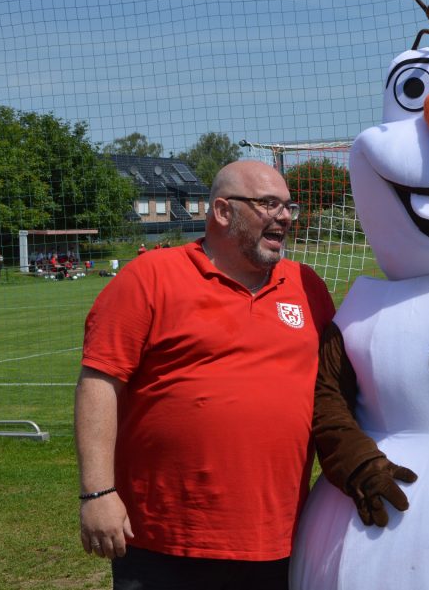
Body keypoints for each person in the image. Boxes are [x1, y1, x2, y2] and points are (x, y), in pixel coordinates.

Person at [74, 161, 335, 590]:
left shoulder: (306, 285)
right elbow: (99, 383)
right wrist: (97, 493)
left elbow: (336, 390)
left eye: (289, 206)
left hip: (278, 537)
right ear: (222, 211)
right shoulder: (151, 277)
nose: (285, 216)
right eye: (269, 204)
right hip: (166, 539)